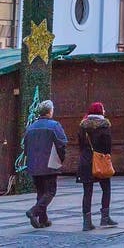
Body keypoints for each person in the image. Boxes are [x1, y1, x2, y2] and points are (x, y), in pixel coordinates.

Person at [23, 99, 67, 229]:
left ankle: (43, 219)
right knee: (50, 191)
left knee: (41, 192)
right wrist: (61, 159)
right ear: (49, 111)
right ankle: (33, 212)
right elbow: (62, 143)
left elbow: (25, 146)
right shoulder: (54, 125)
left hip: (33, 165)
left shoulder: (30, 127)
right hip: (49, 164)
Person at [77, 101, 117, 231]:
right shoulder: (104, 127)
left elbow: (80, 144)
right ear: (100, 112)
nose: (105, 111)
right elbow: (107, 147)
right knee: (106, 188)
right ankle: (105, 218)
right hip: (100, 161)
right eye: (103, 109)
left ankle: (86, 222)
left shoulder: (83, 127)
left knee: (87, 192)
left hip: (85, 161)